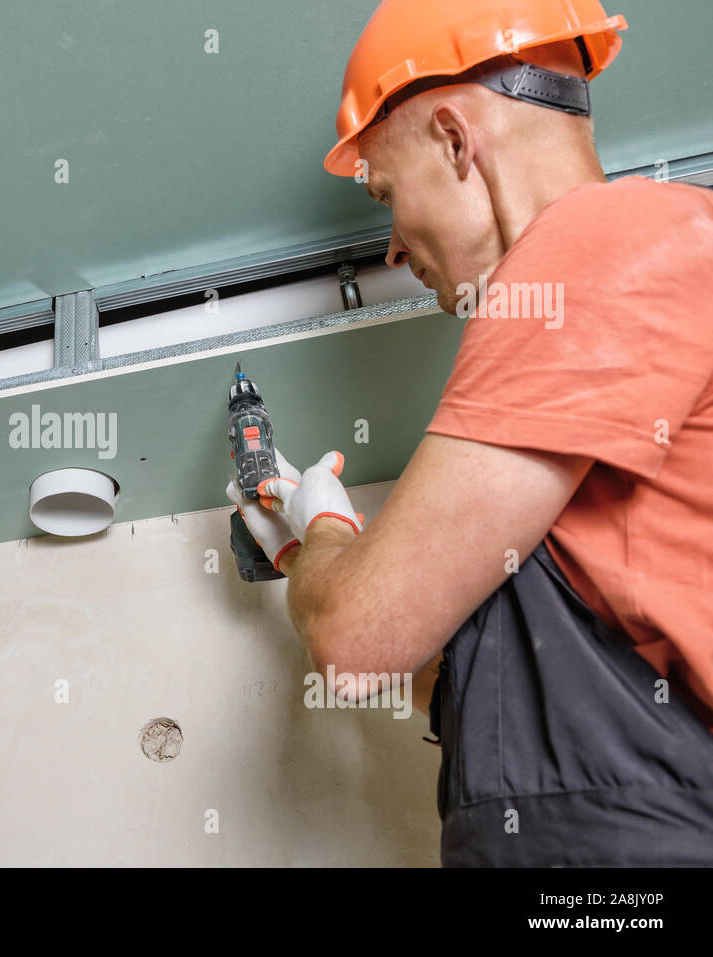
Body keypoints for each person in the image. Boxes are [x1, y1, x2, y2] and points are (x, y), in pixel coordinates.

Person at [230, 0, 713, 865]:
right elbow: (482, 681)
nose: (388, 248)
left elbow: (355, 644)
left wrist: (327, 533)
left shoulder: (590, 247)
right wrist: (311, 555)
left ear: (455, 138)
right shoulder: (631, 279)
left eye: (384, 192)